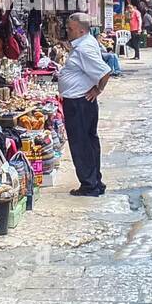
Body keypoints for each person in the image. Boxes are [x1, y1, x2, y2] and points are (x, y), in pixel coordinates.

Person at [58, 12, 109, 196]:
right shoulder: (86, 42)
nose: (67, 31)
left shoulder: (83, 48)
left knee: (81, 143)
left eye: (70, 29)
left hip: (79, 102)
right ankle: (95, 181)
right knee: (89, 141)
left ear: (81, 30)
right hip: (82, 102)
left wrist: (98, 89)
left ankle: (89, 185)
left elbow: (105, 72)